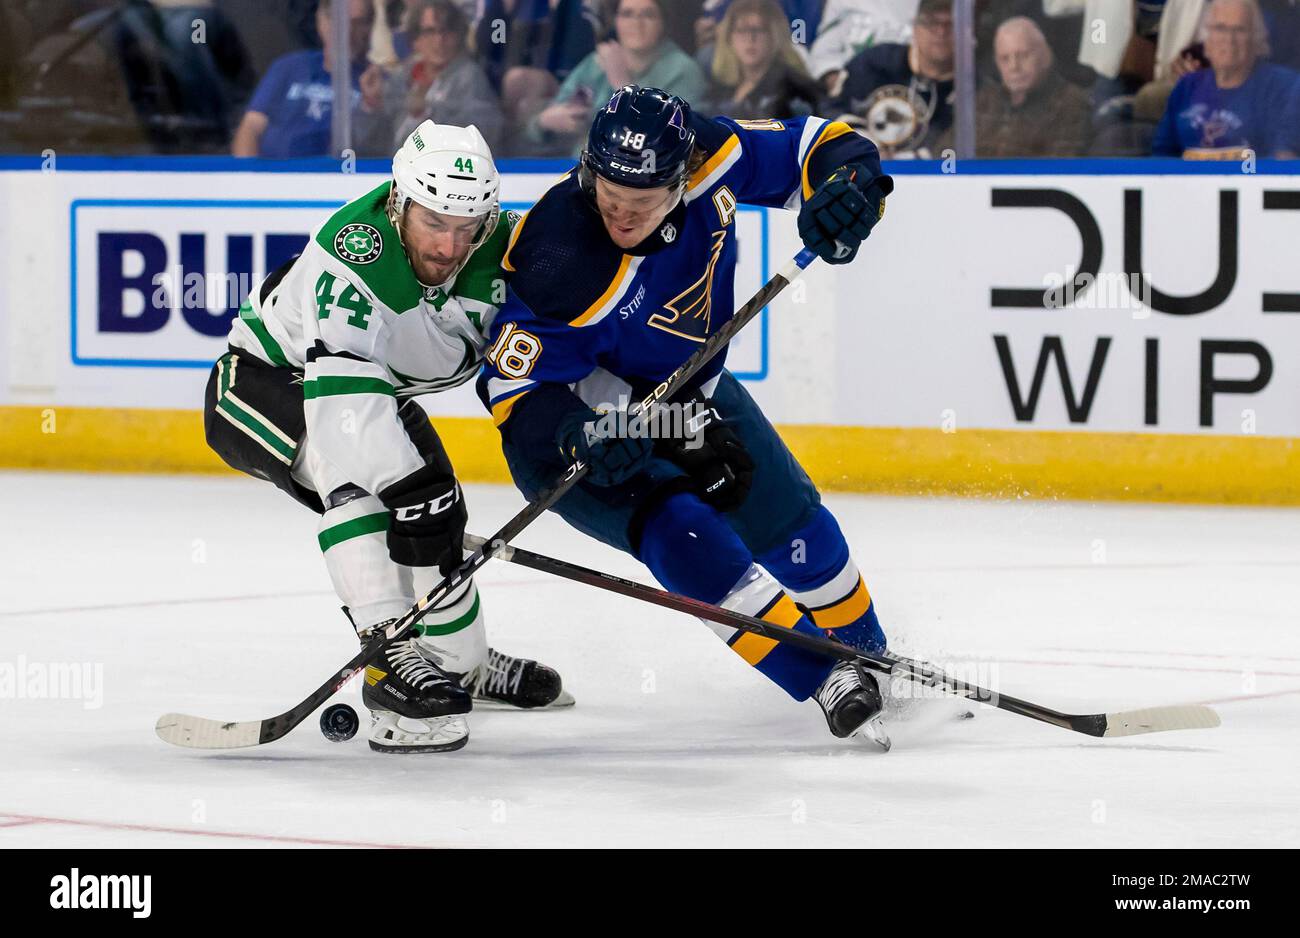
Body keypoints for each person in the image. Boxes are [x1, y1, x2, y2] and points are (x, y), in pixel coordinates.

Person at [479, 86, 897, 746]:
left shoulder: (712, 153)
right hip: (578, 431)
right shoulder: (557, 252)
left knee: (796, 529)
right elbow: (511, 387)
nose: (619, 214)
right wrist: (575, 435)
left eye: (639, 203)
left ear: (682, 177)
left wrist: (848, 190)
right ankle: (826, 676)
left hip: (687, 394)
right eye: (608, 194)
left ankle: (875, 660)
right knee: (682, 532)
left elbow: (823, 144)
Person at [204, 121, 572, 754]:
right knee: (363, 493)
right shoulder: (352, 254)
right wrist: (404, 484)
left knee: (436, 517)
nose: (450, 245)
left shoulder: (503, 248)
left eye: (467, 227)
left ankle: (462, 664)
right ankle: (390, 664)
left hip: (375, 393)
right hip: (265, 384)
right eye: (434, 222)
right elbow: (344, 423)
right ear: (400, 202)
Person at [526, 0, 708, 157]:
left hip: (645, 176)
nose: (637, 23)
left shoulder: (684, 70)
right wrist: (544, 122)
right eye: (627, 14)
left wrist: (623, 85)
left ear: (663, 23)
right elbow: (541, 123)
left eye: (648, 15)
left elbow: (676, 139)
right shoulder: (597, 62)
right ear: (616, 22)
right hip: (580, 166)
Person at [1152, 0, 1300, 157]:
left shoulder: (1285, 88)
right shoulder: (1186, 86)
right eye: (1220, 28)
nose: (1229, 40)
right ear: (1207, 40)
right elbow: (1161, 157)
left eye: (1239, 30)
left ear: (1257, 39)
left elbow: (1283, 164)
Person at [354, 0, 505, 154]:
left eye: (447, 31)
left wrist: (427, 112)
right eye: (430, 32)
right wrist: (372, 104)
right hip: (389, 171)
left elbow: (485, 132)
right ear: (415, 40)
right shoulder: (401, 79)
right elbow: (366, 145)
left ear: (459, 36)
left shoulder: (470, 78)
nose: (439, 41)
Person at [232, 0, 372, 157]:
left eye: (358, 22)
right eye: (339, 20)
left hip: (338, 176)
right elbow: (251, 128)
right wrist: (248, 175)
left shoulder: (374, 81)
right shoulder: (289, 67)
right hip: (273, 176)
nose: (347, 31)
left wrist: (373, 104)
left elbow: (372, 145)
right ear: (321, 21)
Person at [938, 15, 1091, 156]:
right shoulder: (984, 100)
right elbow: (944, 152)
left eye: (1023, 55)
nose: (1014, 67)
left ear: (1045, 57)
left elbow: (1060, 168)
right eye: (1005, 59)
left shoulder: (1070, 102)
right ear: (997, 64)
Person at [831, 0, 953, 157]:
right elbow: (832, 109)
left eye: (950, 25)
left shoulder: (970, 89)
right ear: (915, 28)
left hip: (930, 179)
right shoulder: (875, 63)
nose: (941, 32)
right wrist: (864, 145)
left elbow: (957, 151)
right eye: (931, 23)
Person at [706, 0, 825, 119]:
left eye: (758, 30)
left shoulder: (796, 89)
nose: (750, 39)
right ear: (729, 37)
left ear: (775, 35)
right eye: (741, 30)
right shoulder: (721, 88)